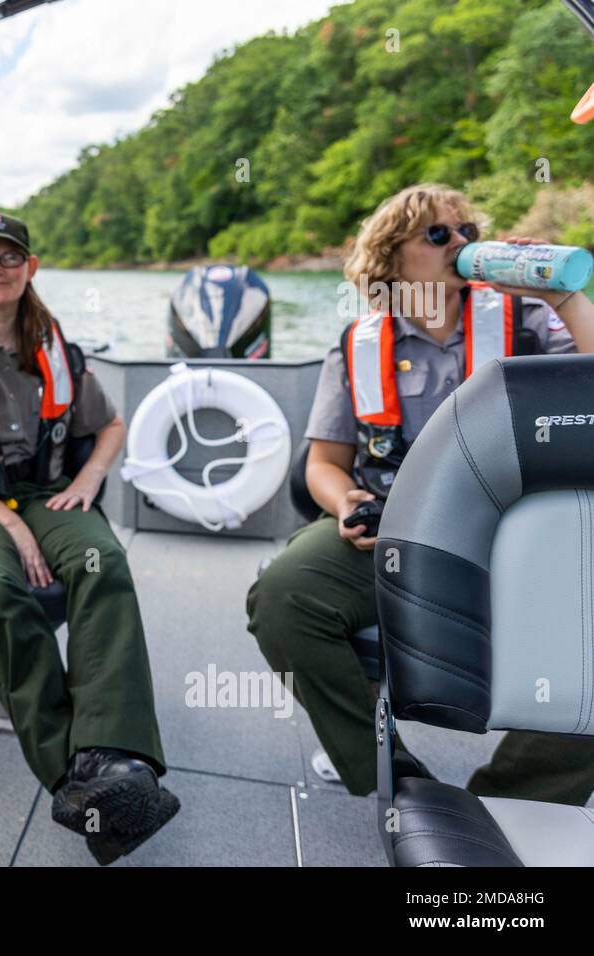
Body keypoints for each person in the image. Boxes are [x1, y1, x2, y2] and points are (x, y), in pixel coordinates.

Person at [248, 182, 594, 800]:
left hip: (514, 535)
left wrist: (563, 294)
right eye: (439, 234)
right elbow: (325, 464)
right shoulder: (357, 346)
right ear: (391, 256)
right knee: (284, 597)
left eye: (468, 232)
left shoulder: (529, 320)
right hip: (397, 532)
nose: (460, 243)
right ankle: (394, 776)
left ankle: (512, 802)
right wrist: (345, 502)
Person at [0, 212, 178, 865]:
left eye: (9, 258)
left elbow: (109, 425)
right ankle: (73, 778)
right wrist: (13, 524)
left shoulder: (55, 344)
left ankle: (113, 753)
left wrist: (86, 479)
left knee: (102, 560)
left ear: (29, 268)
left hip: (47, 491)